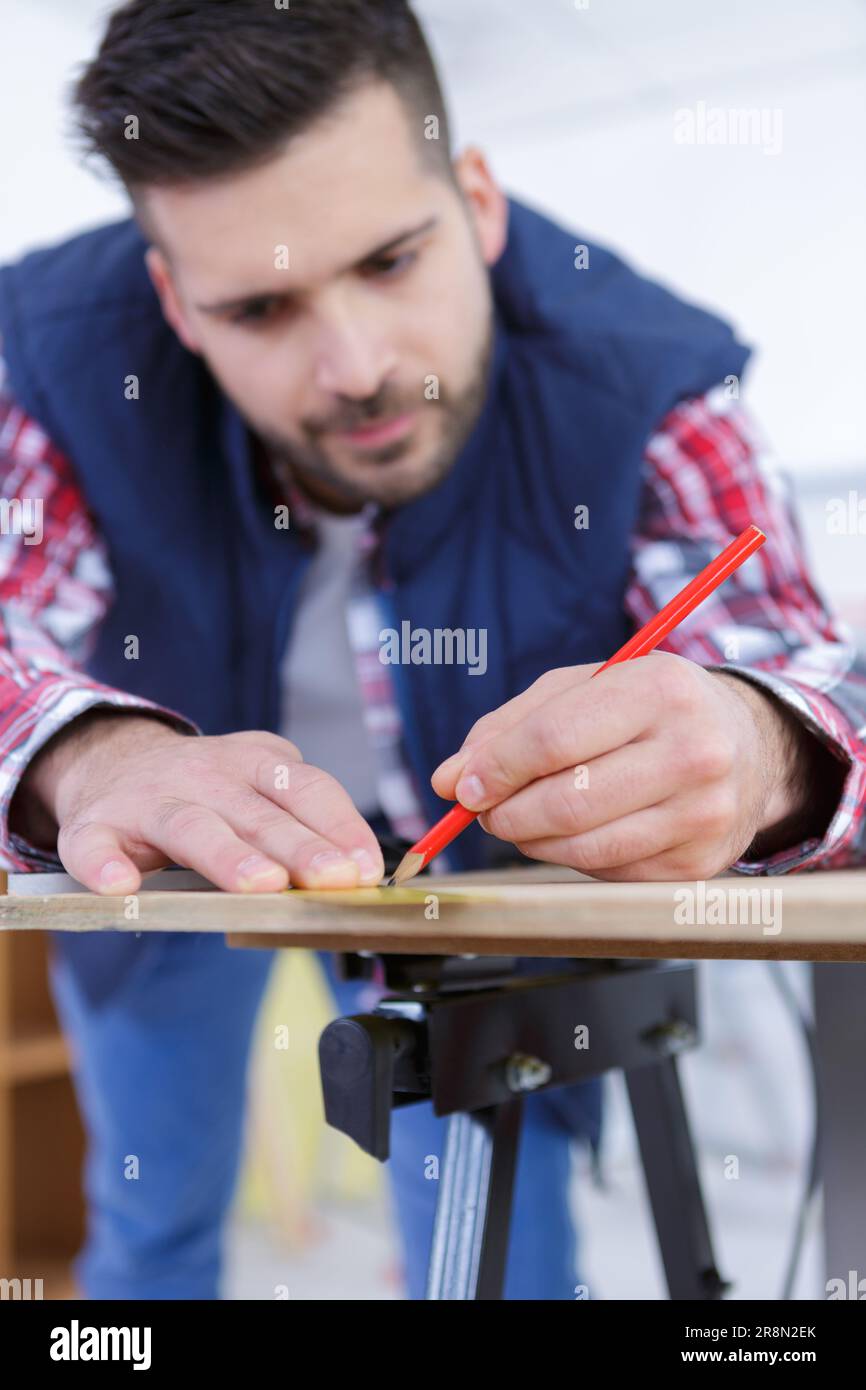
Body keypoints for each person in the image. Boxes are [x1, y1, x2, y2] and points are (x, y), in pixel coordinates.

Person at [0, 0, 863, 1300]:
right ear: (171, 297)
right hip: (163, 858)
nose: (353, 367)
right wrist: (89, 755)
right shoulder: (56, 358)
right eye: (260, 307)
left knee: (498, 1250)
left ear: (476, 198)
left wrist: (764, 745)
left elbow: (805, 663)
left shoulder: (648, 372)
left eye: (392, 260)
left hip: (474, 898)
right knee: (150, 1219)